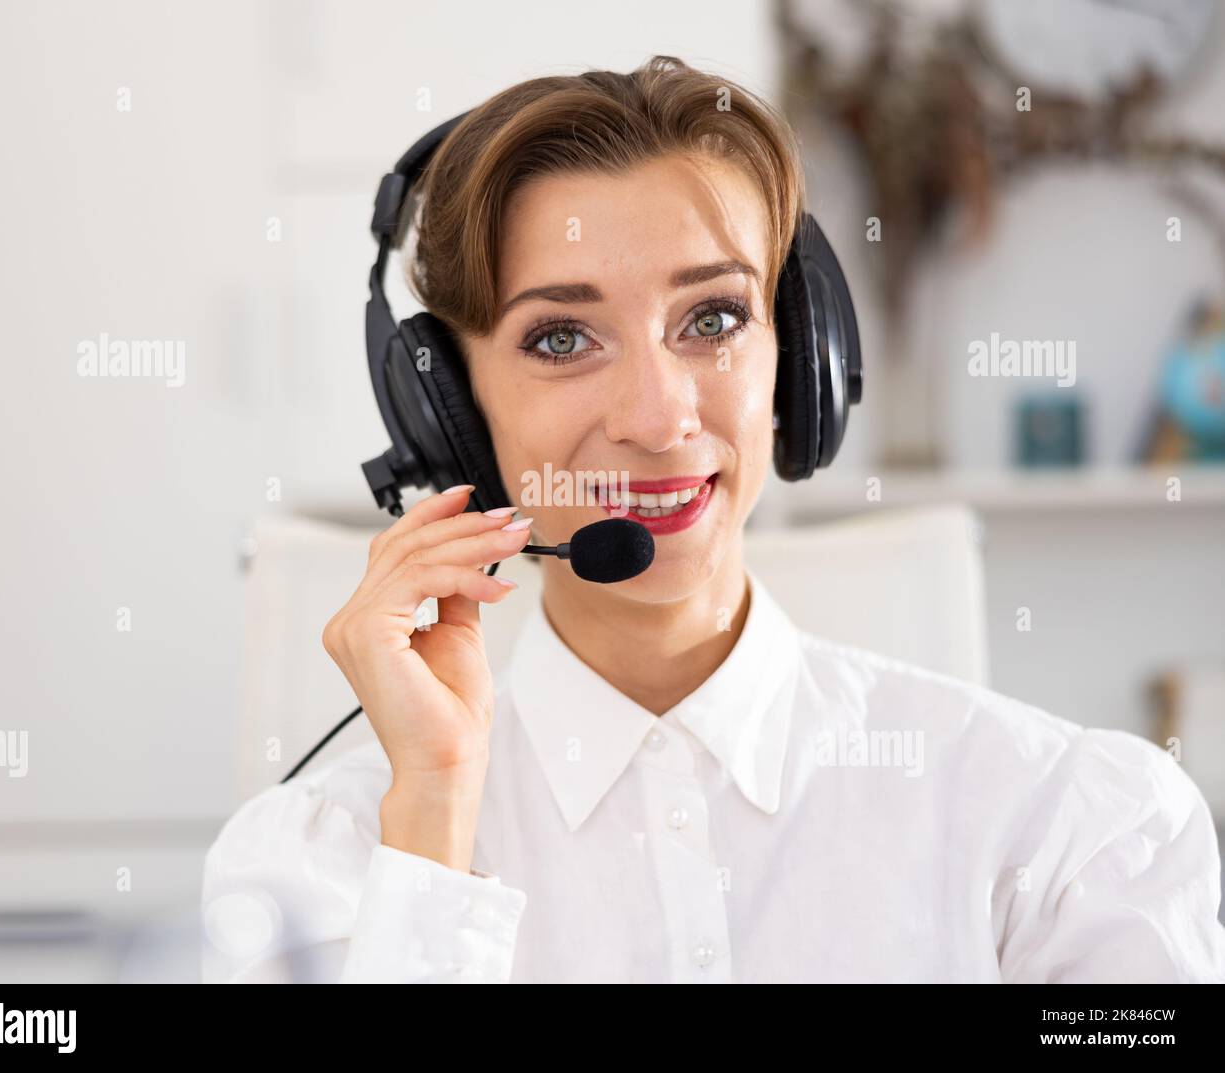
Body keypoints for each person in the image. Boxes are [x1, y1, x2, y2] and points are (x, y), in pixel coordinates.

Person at [200, 55, 1225, 983]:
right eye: (560, 338)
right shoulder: (321, 861)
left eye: (714, 317)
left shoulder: (1054, 829)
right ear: (451, 412)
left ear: (800, 359)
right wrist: (428, 824)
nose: (656, 417)